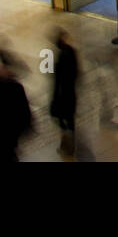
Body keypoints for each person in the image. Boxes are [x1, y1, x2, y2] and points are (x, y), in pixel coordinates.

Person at [49, 28, 80, 156]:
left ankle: (67, 145)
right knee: (70, 118)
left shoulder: (62, 56)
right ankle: (70, 142)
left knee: (62, 118)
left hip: (63, 94)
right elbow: (76, 72)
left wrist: (55, 95)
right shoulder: (71, 51)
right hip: (71, 91)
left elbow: (57, 79)